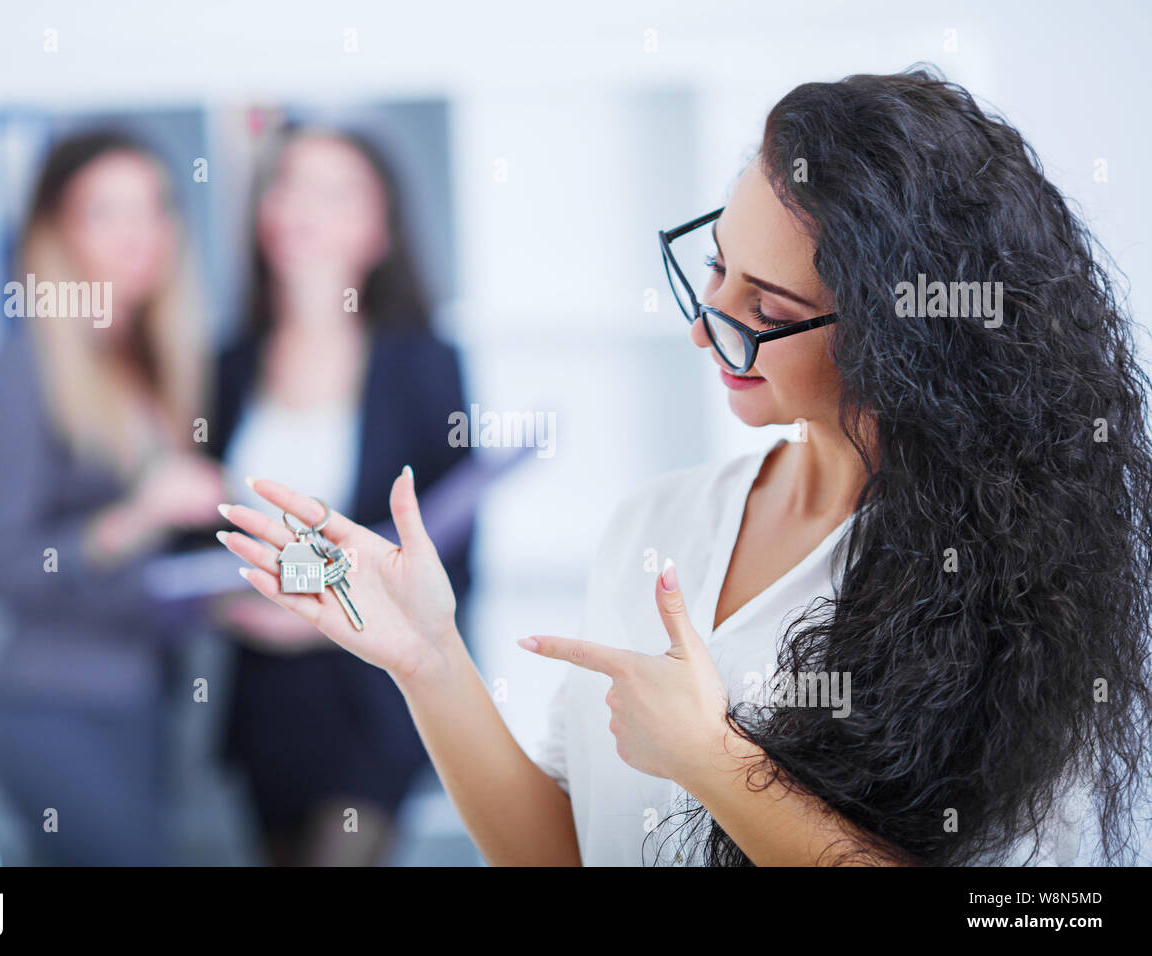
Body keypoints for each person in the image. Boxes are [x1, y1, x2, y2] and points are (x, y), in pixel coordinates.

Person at [217, 66, 1152, 866]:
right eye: (713, 267)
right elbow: (561, 851)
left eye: (769, 308)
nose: (705, 325)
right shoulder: (655, 525)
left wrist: (712, 759)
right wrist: (427, 658)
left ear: (909, 333)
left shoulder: (1028, 590)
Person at [210, 122, 473, 866]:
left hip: (374, 697)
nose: (301, 207)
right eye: (287, 183)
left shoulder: (423, 365)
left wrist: (314, 605)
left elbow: (453, 549)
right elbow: (196, 540)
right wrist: (234, 599)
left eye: (333, 192)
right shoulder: (228, 366)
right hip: (264, 706)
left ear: (380, 230)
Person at [0, 130, 226, 865]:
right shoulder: (24, 370)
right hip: (56, 709)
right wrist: (141, 515)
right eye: (106, 212)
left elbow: (139, 578)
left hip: (141, 703)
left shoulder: (151, 364)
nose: (138, 235)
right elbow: (4, 567)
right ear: (57, 232)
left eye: (153, 209)